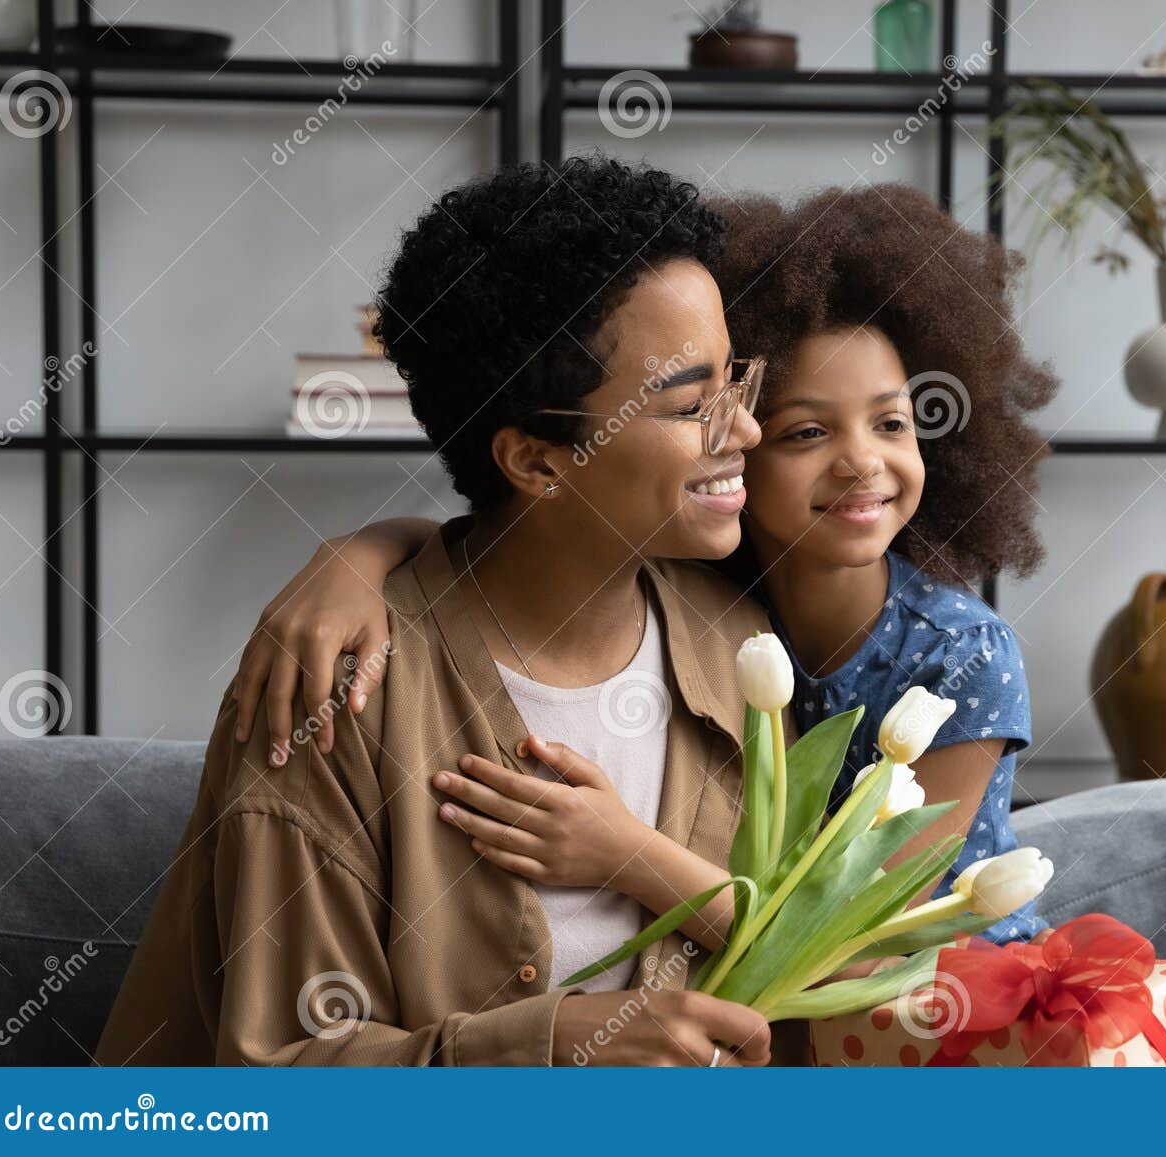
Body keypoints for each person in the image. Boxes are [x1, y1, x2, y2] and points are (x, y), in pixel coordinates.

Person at [229, 184, 1061, 949]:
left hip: (947, 1009)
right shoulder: (714, 586)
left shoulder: (954, 653)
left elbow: (859, 940)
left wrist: (626, 852)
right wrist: (361, 552)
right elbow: (517, 536)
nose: (745, 433)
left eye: (893, 424)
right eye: (802, 430)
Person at [95, 156, 781, 1067]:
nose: (747, 431)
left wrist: (366, 543)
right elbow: (280, 1074)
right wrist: (548, 1050)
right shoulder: (330, 694)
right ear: (537, 462)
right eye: (696, 403)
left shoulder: (740, 642)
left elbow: (822, 952)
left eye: (739, 381)